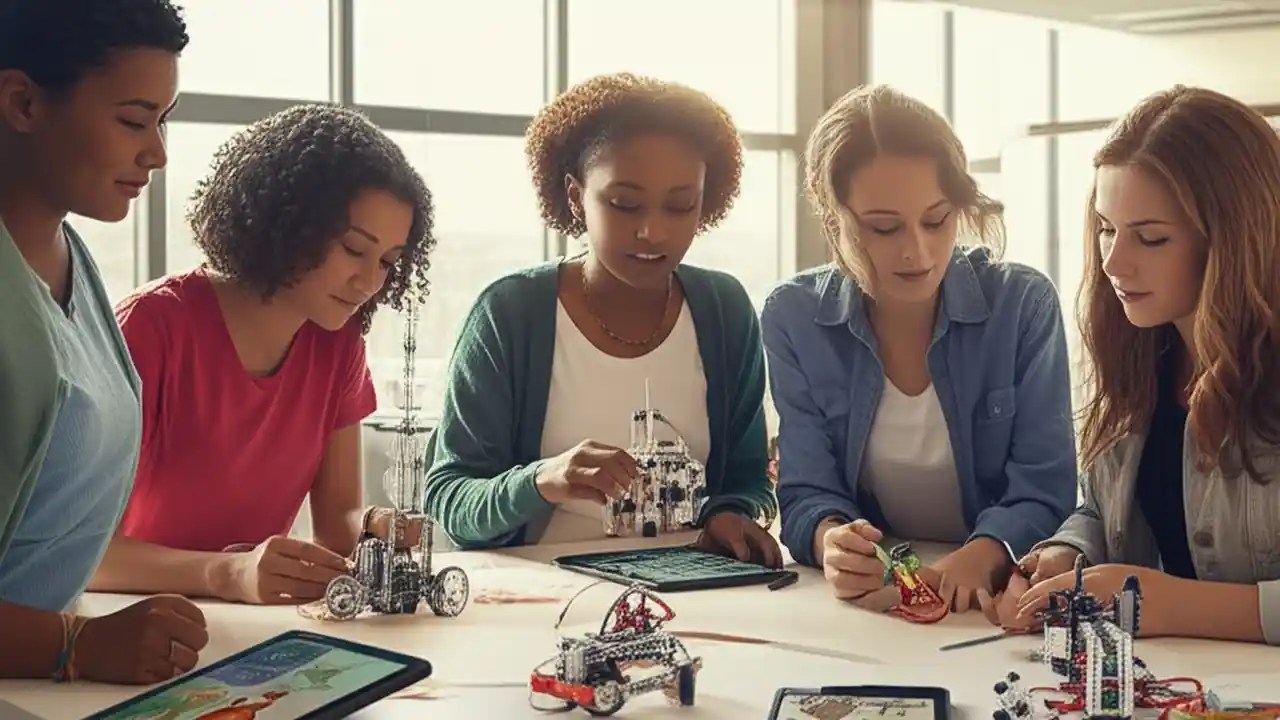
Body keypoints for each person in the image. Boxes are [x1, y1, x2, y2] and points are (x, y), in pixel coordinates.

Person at [86, 104, 437, 606]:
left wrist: (374, 525)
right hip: (131, 623)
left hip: (255, 628)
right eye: (354, 249)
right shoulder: (150, 327)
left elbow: (337, 523)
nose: (370, 282)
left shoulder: (337, 343)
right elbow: (84, 552)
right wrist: (227, 573)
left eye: (387, 262)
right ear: (290, 221)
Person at [424, 73, 780, 564]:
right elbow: (449, 501)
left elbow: (750, 484)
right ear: (575, 197)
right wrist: (542, 481)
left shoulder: (725, 310)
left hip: (696, 595)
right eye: (624, 204)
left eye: (681, 206)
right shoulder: (510, 314)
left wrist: (729, 513)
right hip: (542, 602)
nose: (653, 231)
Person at [762, 85, 1077, 611]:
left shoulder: (1022, 304)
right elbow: (804, 491)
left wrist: (987, 549)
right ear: (832, 215)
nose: (918, 251)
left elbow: (1047, 487)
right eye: (883, 228)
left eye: (937, 219)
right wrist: (831, 540)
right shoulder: (793, 316)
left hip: (993, 597)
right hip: (879, 602)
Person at [985, 86, 1280, 646]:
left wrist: (1170, 604)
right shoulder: (1143, 355)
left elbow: (1156, 594)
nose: (1114, 261)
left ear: (1237, 240)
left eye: (1150, 237)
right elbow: (1106, 509)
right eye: (1105, 228)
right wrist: (1069, 551)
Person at [0, 0, 209, 684]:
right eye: (132, 119)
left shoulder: (72, 258)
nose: (156, 152)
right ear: (23, 102)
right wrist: (74, 645)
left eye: (162, 120)